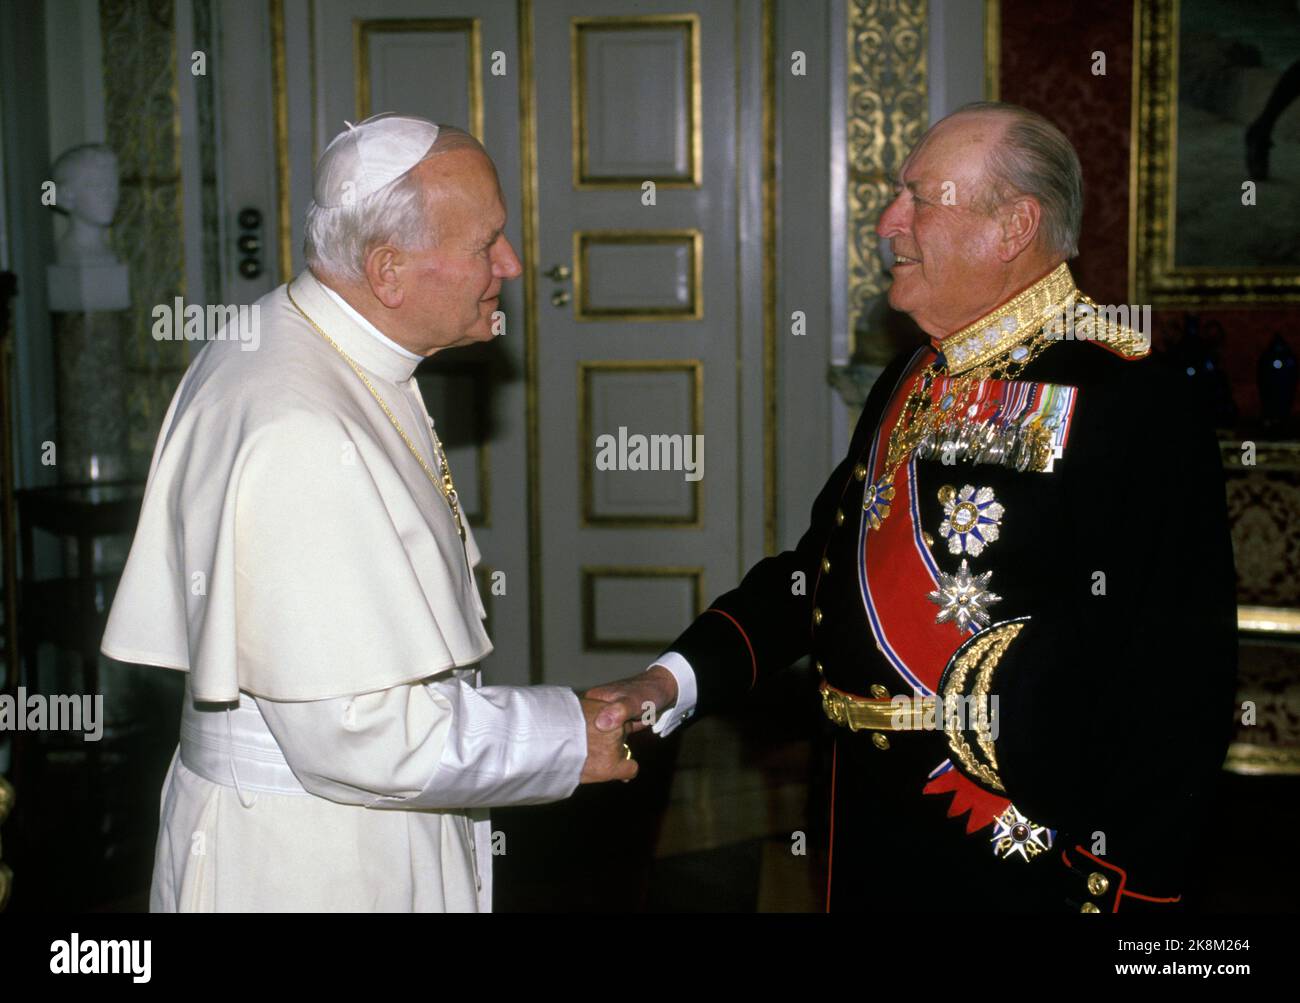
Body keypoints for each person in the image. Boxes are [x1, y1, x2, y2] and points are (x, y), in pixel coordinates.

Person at [588, 101, 1238, 913]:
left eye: (921, 197)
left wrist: (1132, 899)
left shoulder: (1126, 399)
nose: (888, 220)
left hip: (1024, 858)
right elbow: (816, 576)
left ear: (1014, 225)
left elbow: (1178, 676)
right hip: (869, 823)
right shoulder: (914, 378)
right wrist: (668, 682)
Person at [102, 113, 635, 913]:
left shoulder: (298, 339)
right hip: (311, 863)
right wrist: (566, 737)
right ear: (388, 271)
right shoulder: (300, 428)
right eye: (485, 243)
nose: (513, 265)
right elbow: (362, 732)